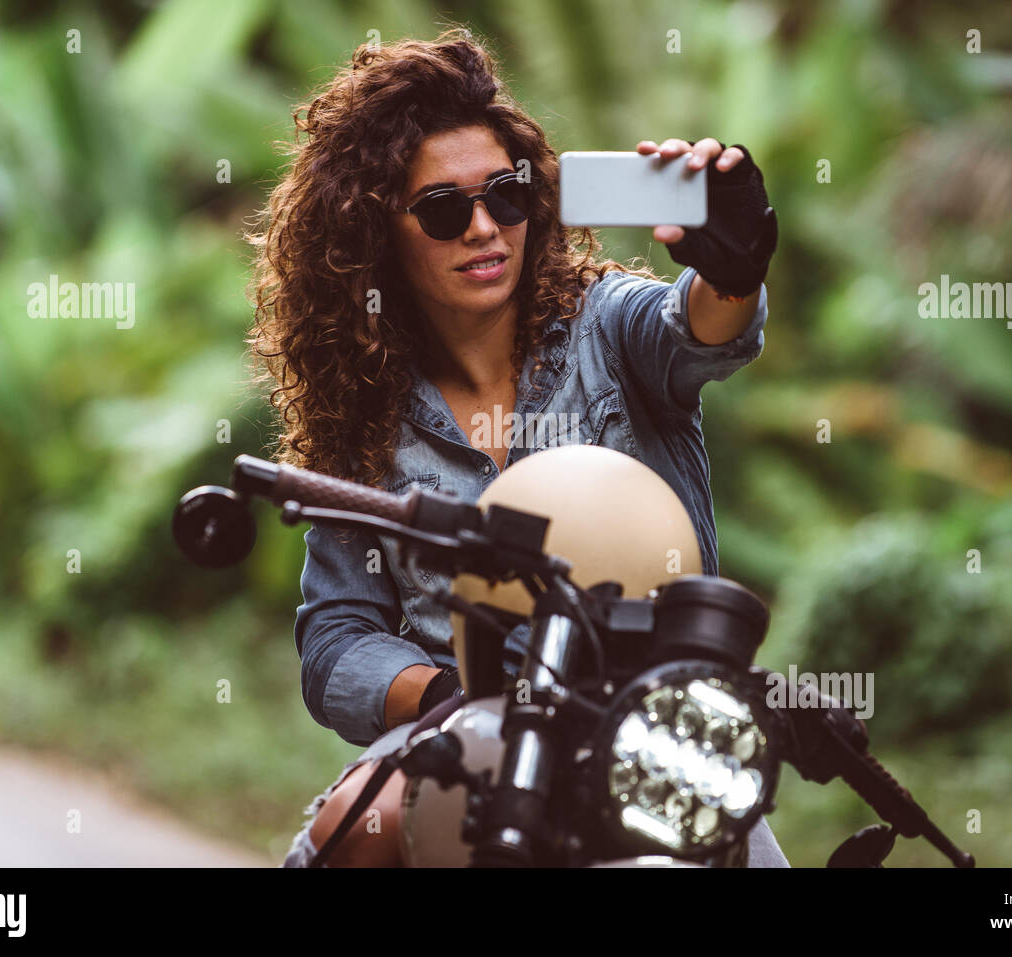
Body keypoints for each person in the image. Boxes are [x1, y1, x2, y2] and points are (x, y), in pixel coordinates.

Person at [247, 28, 783, 867]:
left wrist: (735, 268)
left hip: (655, 732)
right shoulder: (358, 416)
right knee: (354, 825)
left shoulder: (609, 325)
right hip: (470, 742)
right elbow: (339, 635)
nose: (484, 228)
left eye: (505, 196)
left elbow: (699, 332)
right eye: (443, 208)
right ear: (373, 235)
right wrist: (454, 697)